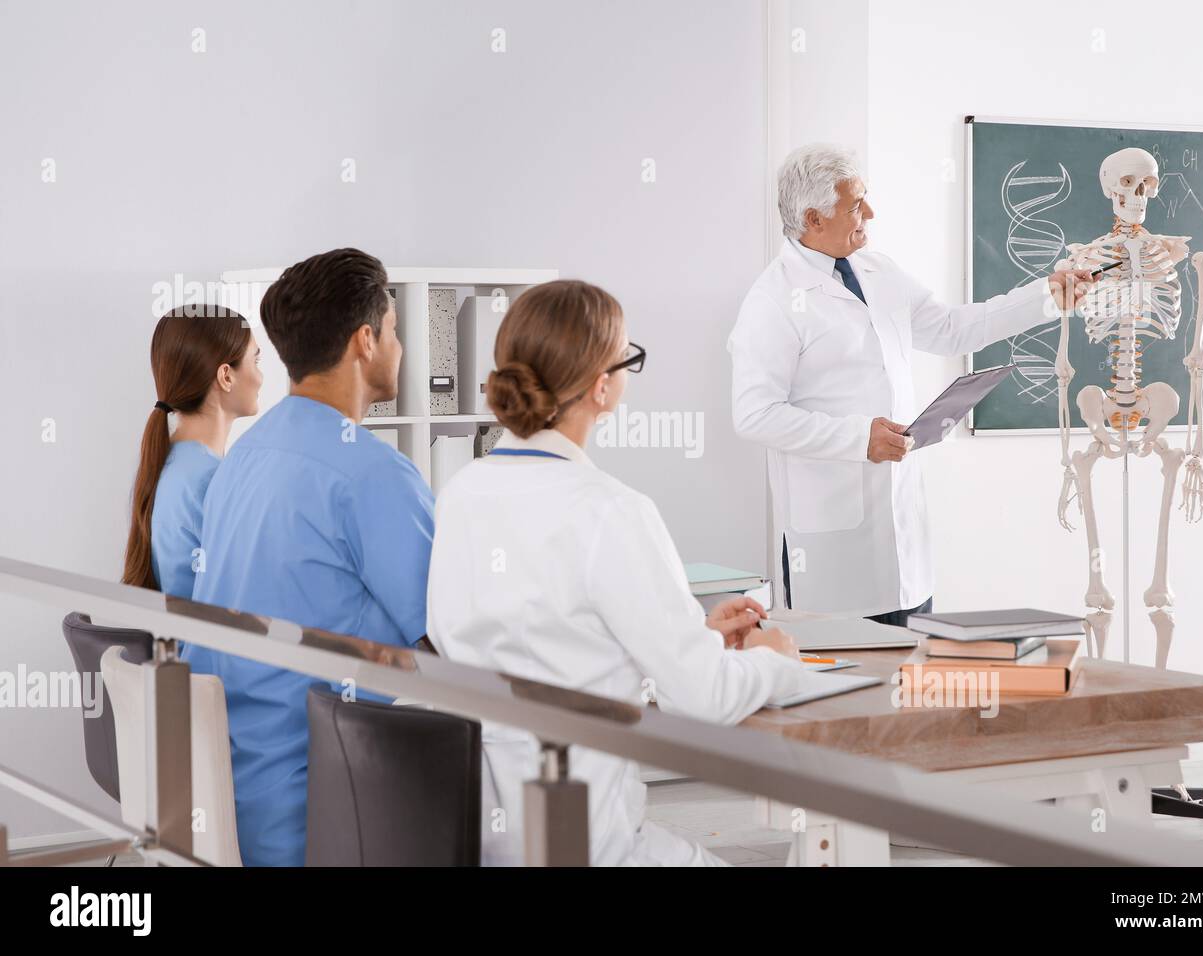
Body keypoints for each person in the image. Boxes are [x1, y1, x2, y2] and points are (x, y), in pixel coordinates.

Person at [428, 279, 803, 867]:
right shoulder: (611, 510)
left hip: (481, 839)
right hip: (589, 844)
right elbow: (705, 698)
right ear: (603, 387)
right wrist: (773, 662)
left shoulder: (459, 493)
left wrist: (690, 640)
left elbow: (547, 649)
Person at [728, 143, 1093, 625]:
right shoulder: (772, 300)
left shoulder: (880, 272)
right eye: (855, 205)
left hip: (905, 542)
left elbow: (954, 330)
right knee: (845, 691)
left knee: (911, 685)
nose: (870, 214)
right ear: (814, 218)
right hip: (832, 556)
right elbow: (754, 414)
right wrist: (860, 439)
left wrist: (1045, 296)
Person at [187, 248, 435, 866]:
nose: (401, 349)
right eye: (397, 331)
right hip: (325, 807)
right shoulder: (374, 473)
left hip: (229, 798)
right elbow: (450, 639)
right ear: (366, 342)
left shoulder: (242, 458)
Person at [122, 306, 261, 597]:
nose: (260, 377)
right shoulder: (212, 480)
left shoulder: (164, 463)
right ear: (226, 376)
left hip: (179, 640)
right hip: (206, 641)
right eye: (255, 361)